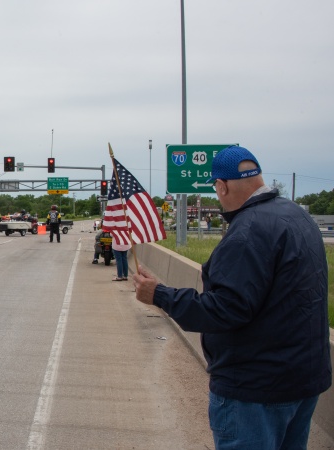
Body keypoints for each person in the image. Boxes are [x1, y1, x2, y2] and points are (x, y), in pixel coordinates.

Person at [132, 145, 331, 449]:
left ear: (222, 186)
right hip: (304, 380)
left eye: (216, 188)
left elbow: (225, 309)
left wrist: (160, 295)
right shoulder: (298, 216)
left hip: (255, 388)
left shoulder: (247, 231)